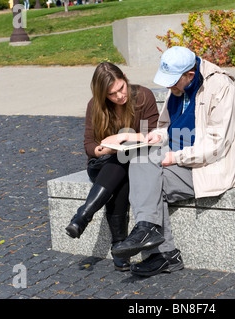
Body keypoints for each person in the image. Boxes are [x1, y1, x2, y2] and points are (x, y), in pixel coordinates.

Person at [112, 46, 235, 277]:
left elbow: (216, 146)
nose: (168, 86)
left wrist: (174, 156)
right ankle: (155, 240)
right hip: (178, 160)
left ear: (189, 75)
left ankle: (160, 250)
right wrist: (159, 136)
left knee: (148, 179)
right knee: (141, 163)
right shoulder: (178, 88)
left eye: (173, 81)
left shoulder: (221, 88)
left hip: (208, 166)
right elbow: (167, 127)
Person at [65, 62, 159, 271]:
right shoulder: (95, 105)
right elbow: (89, 145)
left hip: (135, 162)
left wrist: (124, 137)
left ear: (125, 78)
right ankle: (118, 245)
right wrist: (104, 149)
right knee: (120, 164)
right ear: (103, 94)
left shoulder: (144, 96)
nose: (119, 96)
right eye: (112, 94)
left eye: (121, 88)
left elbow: (155, 134)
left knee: (125, 166)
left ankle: (83, 216)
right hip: (103, 165)